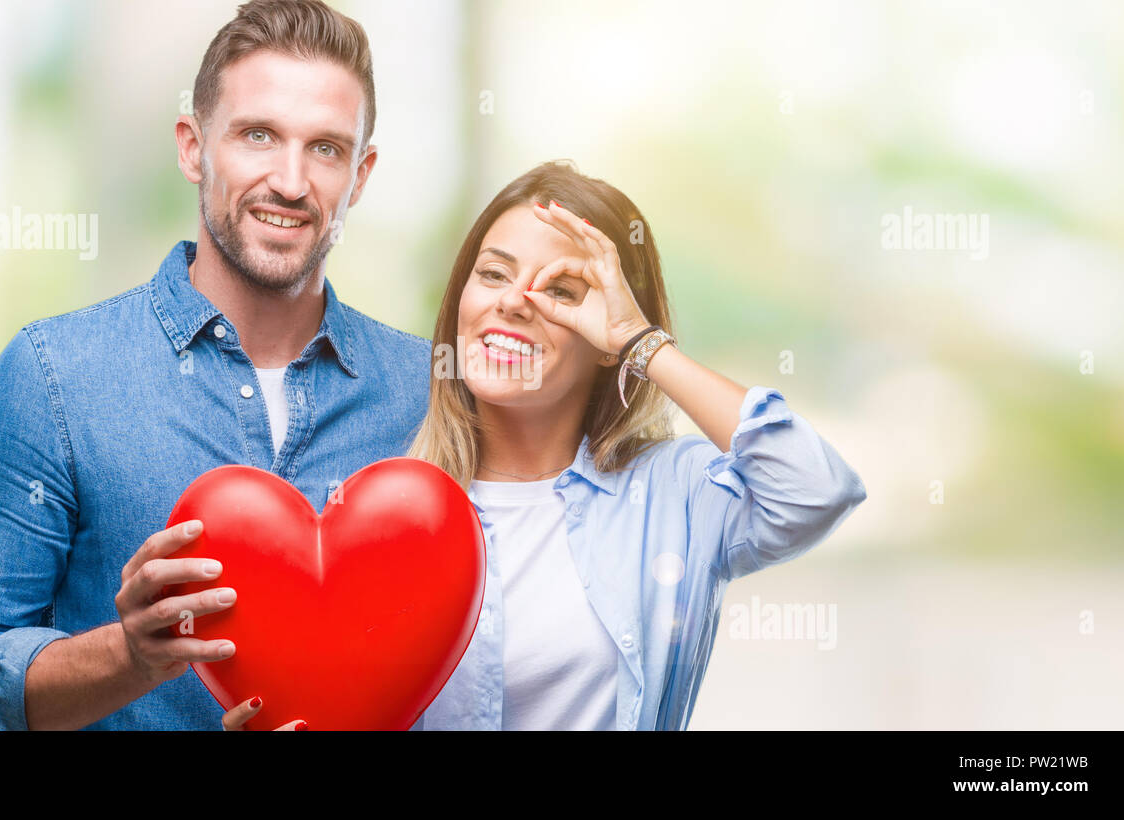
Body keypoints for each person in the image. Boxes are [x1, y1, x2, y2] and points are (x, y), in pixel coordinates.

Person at [0, 0, 426, 730]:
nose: (289, 180)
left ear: (362, 173)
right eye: (257, 135)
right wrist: (129, 654)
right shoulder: (52, 375)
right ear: (192, 147)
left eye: (325, 149)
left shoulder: (424, 395)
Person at [224, 160, 868, 730]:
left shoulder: (675, 496)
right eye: (494, 274)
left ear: (607, 338)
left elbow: (816, 488)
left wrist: (643, 345)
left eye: (562, 292)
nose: (514, 302)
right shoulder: (381, 511)